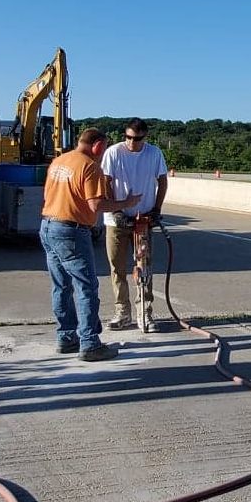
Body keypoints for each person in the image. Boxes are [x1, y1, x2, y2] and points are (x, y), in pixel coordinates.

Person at [41, 127, 142, 361]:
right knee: (86, 287)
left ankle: (66, 338)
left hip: (48, 226)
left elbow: (48, 195)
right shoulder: (90, 166)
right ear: (97, 146)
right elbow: (96, 205)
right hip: (72, 231)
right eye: (103, 148)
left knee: (61, 286)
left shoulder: (59, 161)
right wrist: (125, 202)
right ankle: (90, 343)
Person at [101, 118, 169, 332]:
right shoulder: (113, 153)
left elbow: (163, 180)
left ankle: (145, 313)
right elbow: (105, 181)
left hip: (143, 220)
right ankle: (122, 311)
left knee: (144, 268)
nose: (132, 142)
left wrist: (156, 209)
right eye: (128, 137)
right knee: (117, 267)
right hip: (117, 221)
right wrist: (116, 209)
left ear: (144, 138)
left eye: (137, 139)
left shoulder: (154, 153)